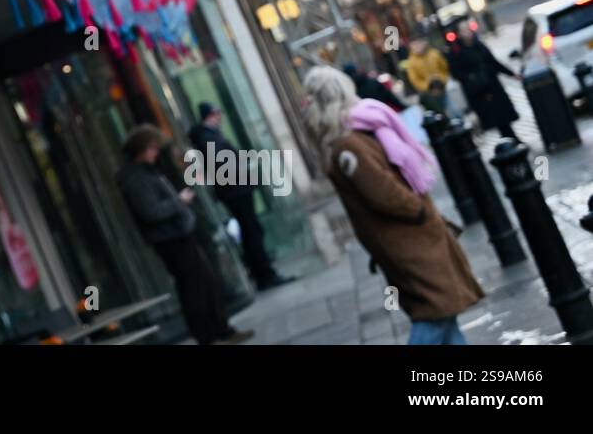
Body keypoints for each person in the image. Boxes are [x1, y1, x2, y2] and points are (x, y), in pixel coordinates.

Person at [301, 66, 484, 344]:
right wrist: (420, 211)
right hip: (408, 241)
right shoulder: (348, 145)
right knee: (434, 316)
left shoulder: (351, 136)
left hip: (410, 238)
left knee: (445, 313)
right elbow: (383, 192)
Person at [117, 124, 254, 345]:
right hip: (170, 238)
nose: (155, 152)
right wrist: (178, 201)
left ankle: (219, 330)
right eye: (152, 148)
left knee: (204, 282)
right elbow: (151, 211)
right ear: (141, 149)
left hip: (177, 234)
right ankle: (209, 334)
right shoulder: (135, 178)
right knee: (195, 287)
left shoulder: (145, 172)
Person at [188, 102, 293, 290]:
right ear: (210, 116)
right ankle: (264, 273)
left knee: (251, 230)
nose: (219, 117)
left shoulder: (210, 136)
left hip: (236, 189)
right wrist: (242, 168)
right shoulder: (207, 138)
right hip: (235, 190)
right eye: (216, 114)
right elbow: (222, 166)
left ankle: (261, 270)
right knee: (251, 230)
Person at [447, 21, 521, 138]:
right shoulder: (456, 51)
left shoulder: (479, 44)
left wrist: (511, 74)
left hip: (492, 84)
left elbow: (492, 61)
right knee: (495, 117)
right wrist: (471, 78)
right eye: (463, 30)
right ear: (459, 33)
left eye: (468, 29)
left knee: (503, 115)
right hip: (479, 90)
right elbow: (455, 73)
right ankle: (509, 140)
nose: (467, 32)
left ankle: (512, 138)